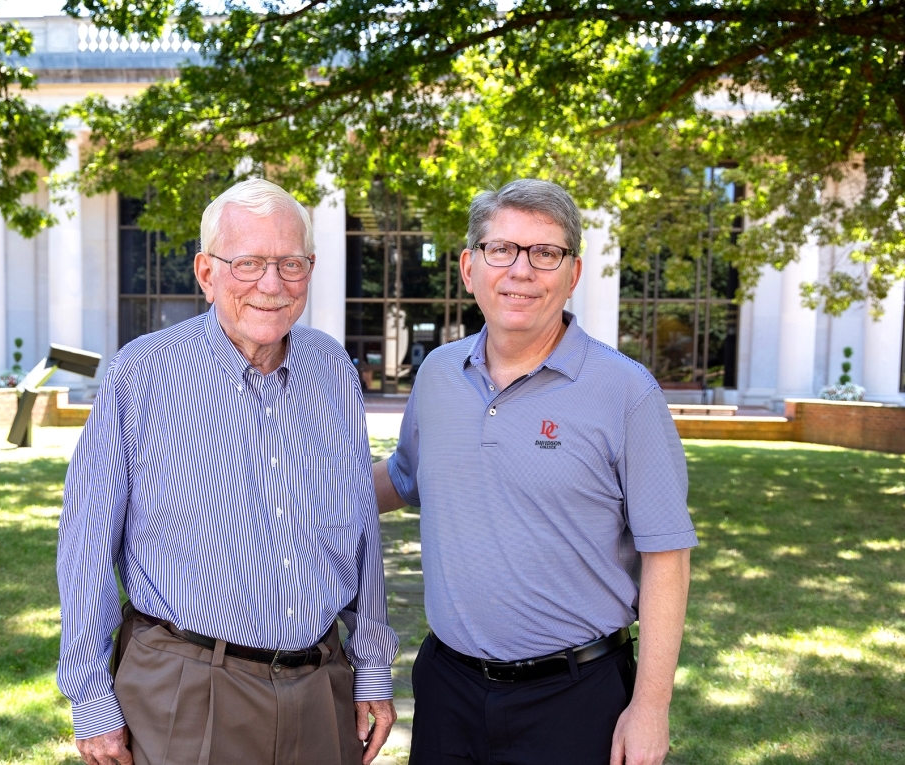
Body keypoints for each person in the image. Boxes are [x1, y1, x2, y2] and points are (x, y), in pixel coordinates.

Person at [59, 178, 398, 765]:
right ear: (207, 272)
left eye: (290, 264)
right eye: (247, 263)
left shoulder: (335, 370)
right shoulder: (141, 373)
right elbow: (87, 541)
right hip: (185, 690)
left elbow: (360, 529)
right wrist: (91, 697)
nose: (271, 285)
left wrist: (370, 667)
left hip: (321, 687)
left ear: (310, 269)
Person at [374, 179, 696, 765]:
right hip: (448, 688)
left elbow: (666, 555)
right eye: (502, 250)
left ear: (572, 273)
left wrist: (650, 708)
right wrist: (297, 490)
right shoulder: (438, 374)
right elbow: (403, 478)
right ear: (470, 268)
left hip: (576, 698)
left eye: (545, 253)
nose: (521, 271)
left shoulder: (626, 391)